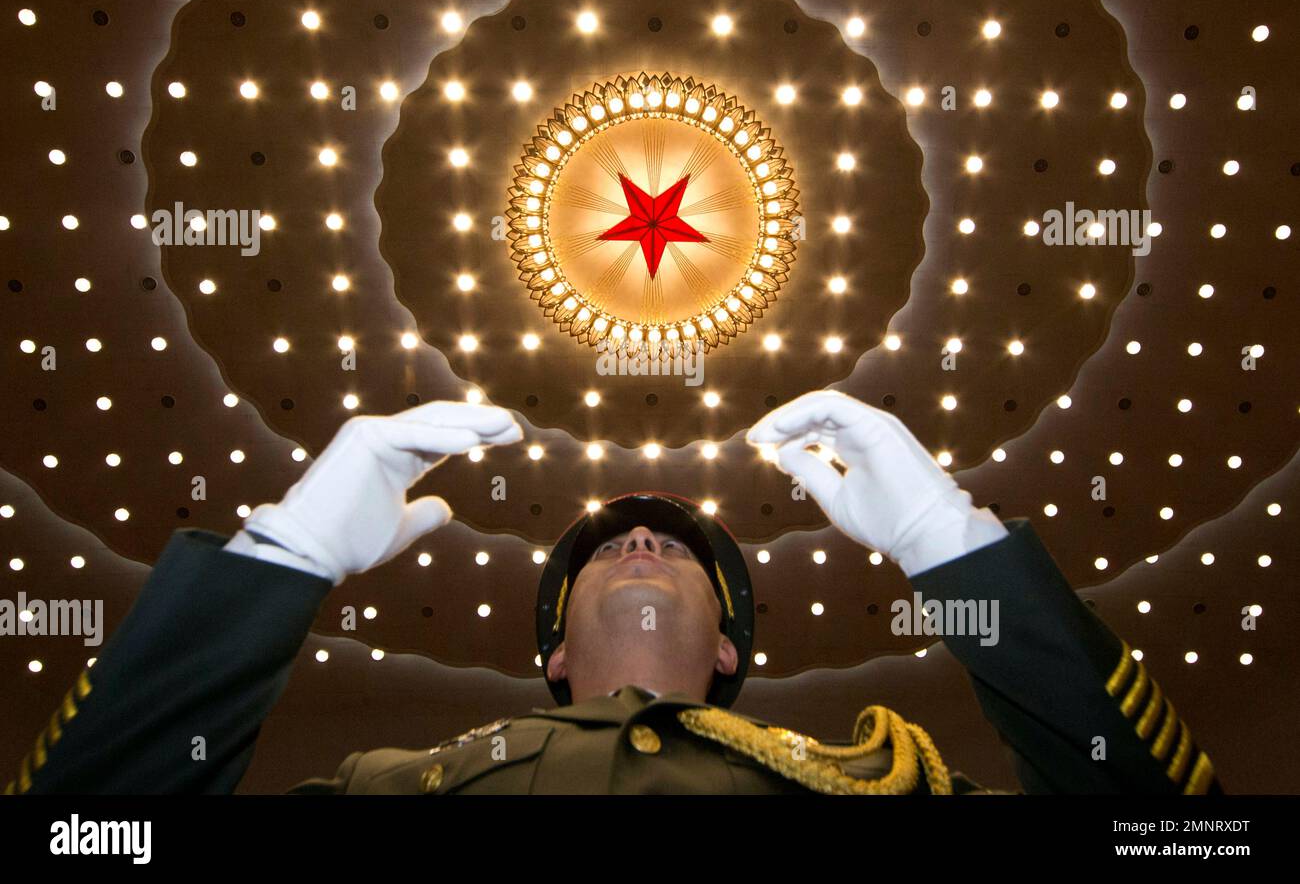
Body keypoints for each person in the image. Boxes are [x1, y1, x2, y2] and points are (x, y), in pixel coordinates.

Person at [4, 392, 1221, 794]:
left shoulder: (890, 781)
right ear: (548, 658)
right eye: (607, 545)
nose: (641, 539)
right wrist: (279, 561)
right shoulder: (376, 788)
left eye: (678, 546)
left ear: (736, 649)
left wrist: (956, 556)